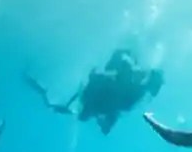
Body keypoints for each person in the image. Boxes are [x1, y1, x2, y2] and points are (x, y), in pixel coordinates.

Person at [25, 49, 164, 134]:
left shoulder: (136, 91)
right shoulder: (134, 83)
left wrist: (106, 121)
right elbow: (115, 104)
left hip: (96, 100)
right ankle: (35, 82)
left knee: (58, 106)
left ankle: (35, 84)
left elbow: (116, 109)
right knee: (59, 106)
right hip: (95, 97)